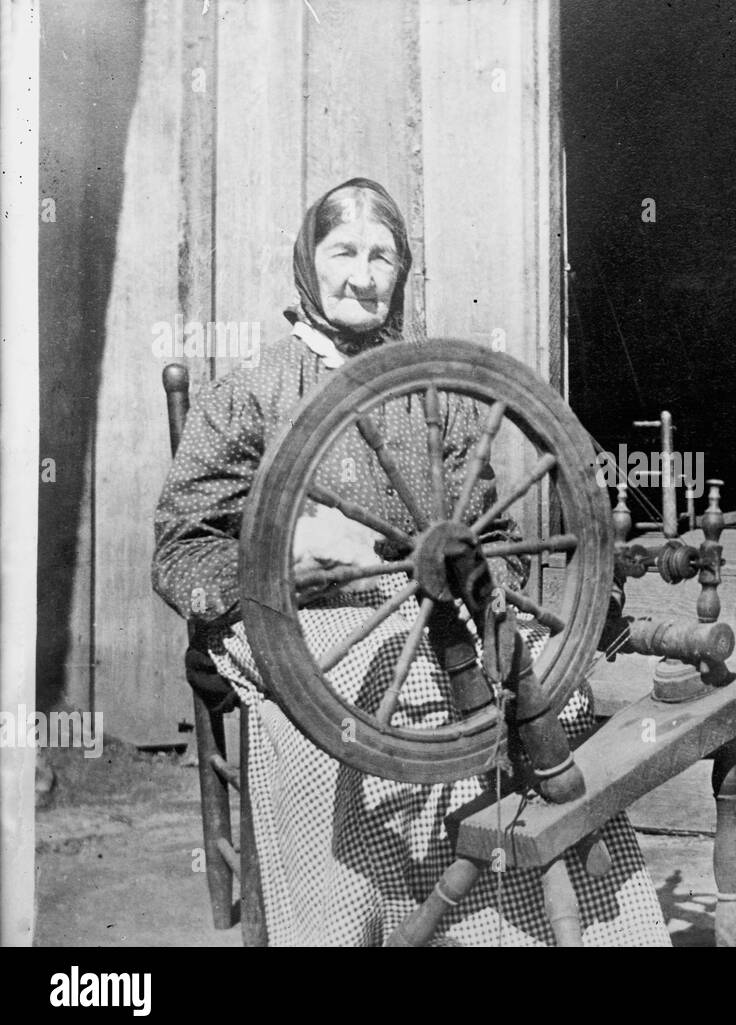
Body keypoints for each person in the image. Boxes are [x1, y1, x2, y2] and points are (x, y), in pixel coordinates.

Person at [153, 177, 670, 946]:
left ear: (403, 272)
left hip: (436, 616)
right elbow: (181, 544)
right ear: (308, 260)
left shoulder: (444, 389)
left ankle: (534, 928)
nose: (363, 276)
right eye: (344, 252)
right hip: (298, 623)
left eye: (382, 257)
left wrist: (482, 585)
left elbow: (495, 543)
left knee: (541, 703)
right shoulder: (253, 393)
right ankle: (357, 929)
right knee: (329, 729)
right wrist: (296, 557)